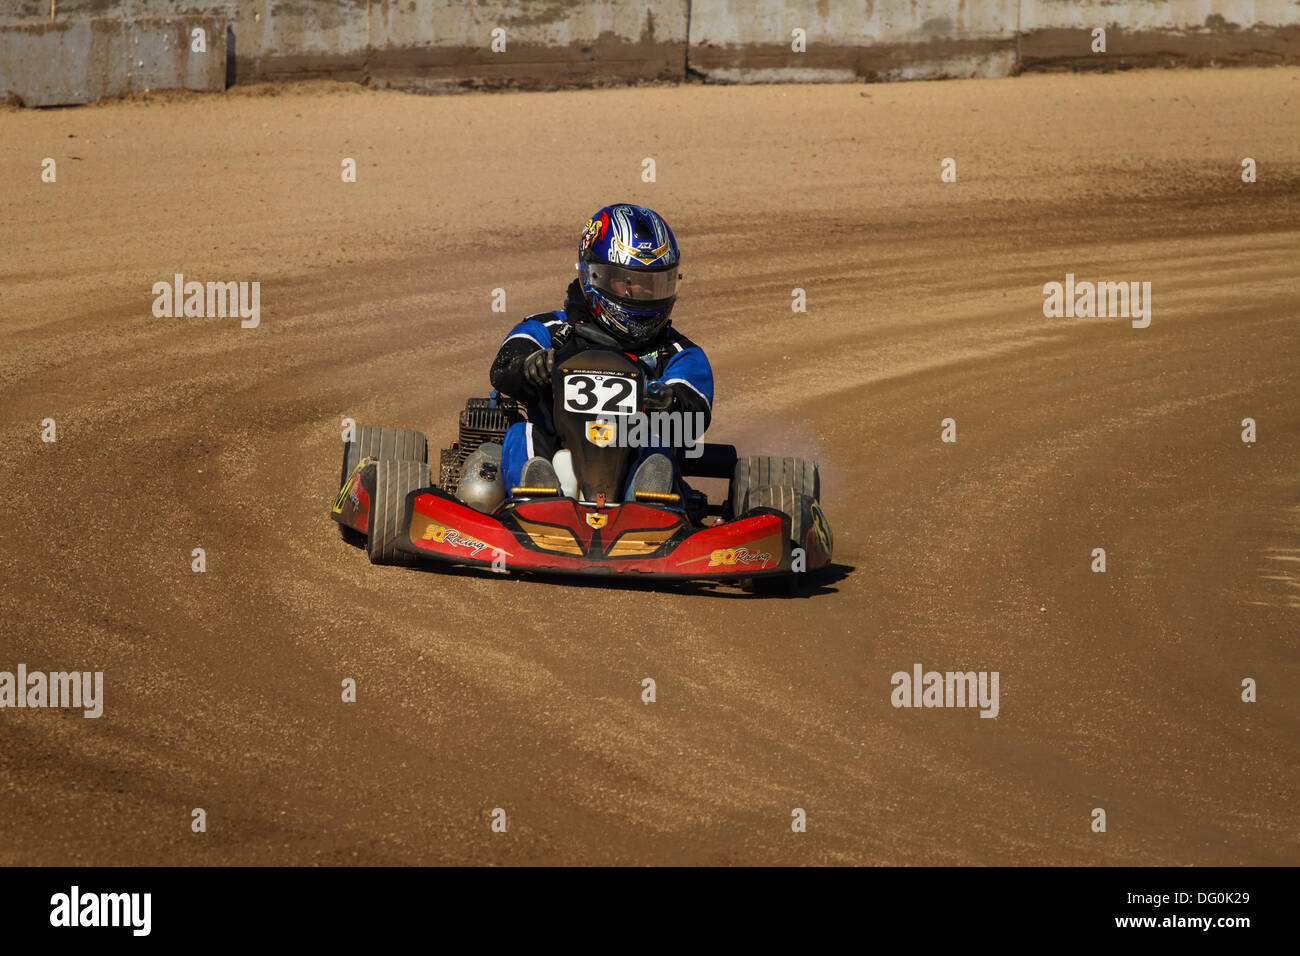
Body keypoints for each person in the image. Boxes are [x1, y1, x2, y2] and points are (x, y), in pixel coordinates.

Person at [490, 203, 713, 498]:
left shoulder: (675, 351)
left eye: (652, 285)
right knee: (522, 433)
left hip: (632, 464)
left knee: (656, 446)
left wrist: (668, 400)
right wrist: (530, 366)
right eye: (626, 282)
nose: (640, 294)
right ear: (592, 275)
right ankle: (535, 497)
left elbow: (693, 416)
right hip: (554, 449)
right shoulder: (550, 329)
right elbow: (505, 366)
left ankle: (650, 508)